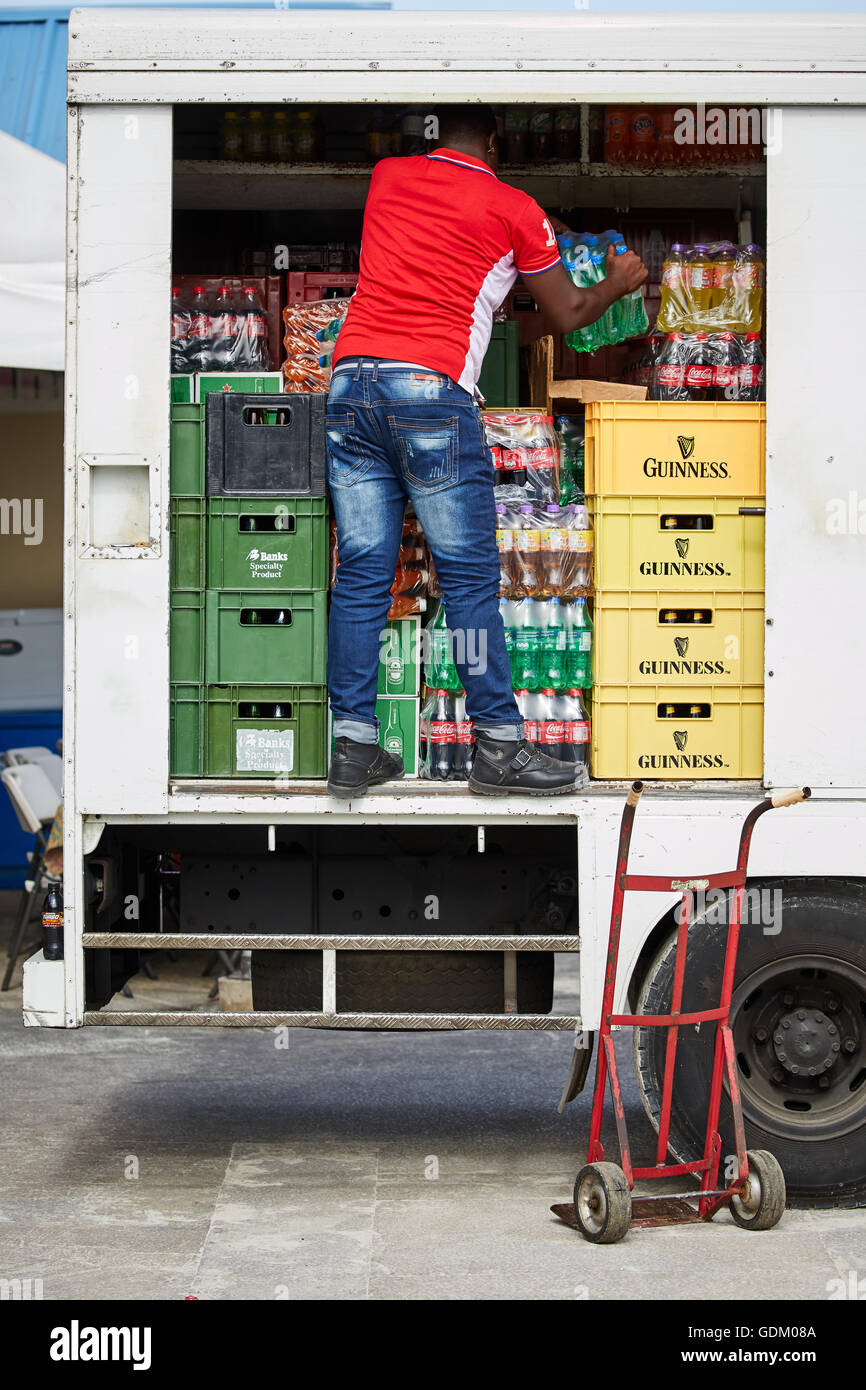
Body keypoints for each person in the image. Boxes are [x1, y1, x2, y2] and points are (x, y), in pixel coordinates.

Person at [326, 104, 647, 799]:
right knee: (468, 584)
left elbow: (455, 232)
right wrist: (616, 283)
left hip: (351, 386)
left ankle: (352, 745)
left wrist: (537, 234)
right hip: (429, 396)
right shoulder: (514, 208)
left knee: (361, 577)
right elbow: (566, 314)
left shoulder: (388, 177)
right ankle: (499, 744)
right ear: (496, 144)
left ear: (439, 135)